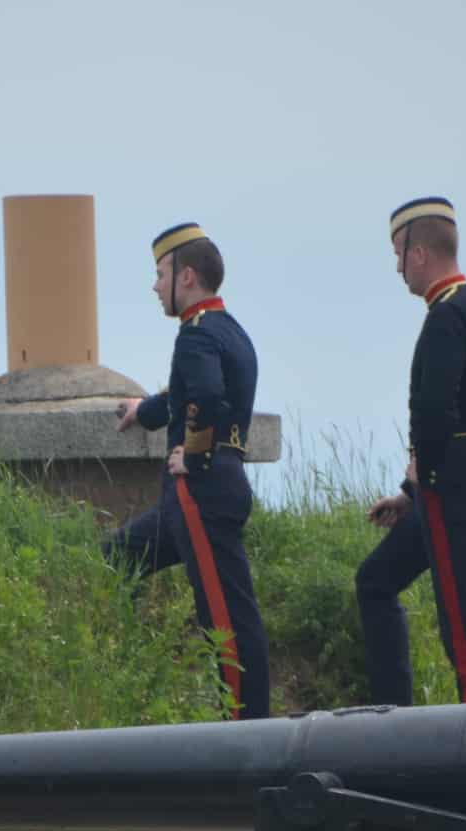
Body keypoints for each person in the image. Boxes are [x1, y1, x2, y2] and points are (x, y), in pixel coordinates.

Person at [104, 221, 270, 720]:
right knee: (115, 557)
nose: (155, 286)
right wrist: (143, 411)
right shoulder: (228, 329)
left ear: (187, 277)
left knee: (224, 614)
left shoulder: (194, 337)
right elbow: (182, 397)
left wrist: (194, 454)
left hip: (201, 487)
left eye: (160, 274)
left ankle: (247, 728)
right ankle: (121, 665)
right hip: (210, 488)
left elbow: (205, 399)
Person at [356, 196, 466, 705]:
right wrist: (408, 494)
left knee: (463, 625)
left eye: (398, 255)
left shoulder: (448, 316)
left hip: (450, 483)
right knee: (375, 581)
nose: (397, 268)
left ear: (417, 253)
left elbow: (434, 409)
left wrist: (423, 476)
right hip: (461, 473)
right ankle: (392, 712)